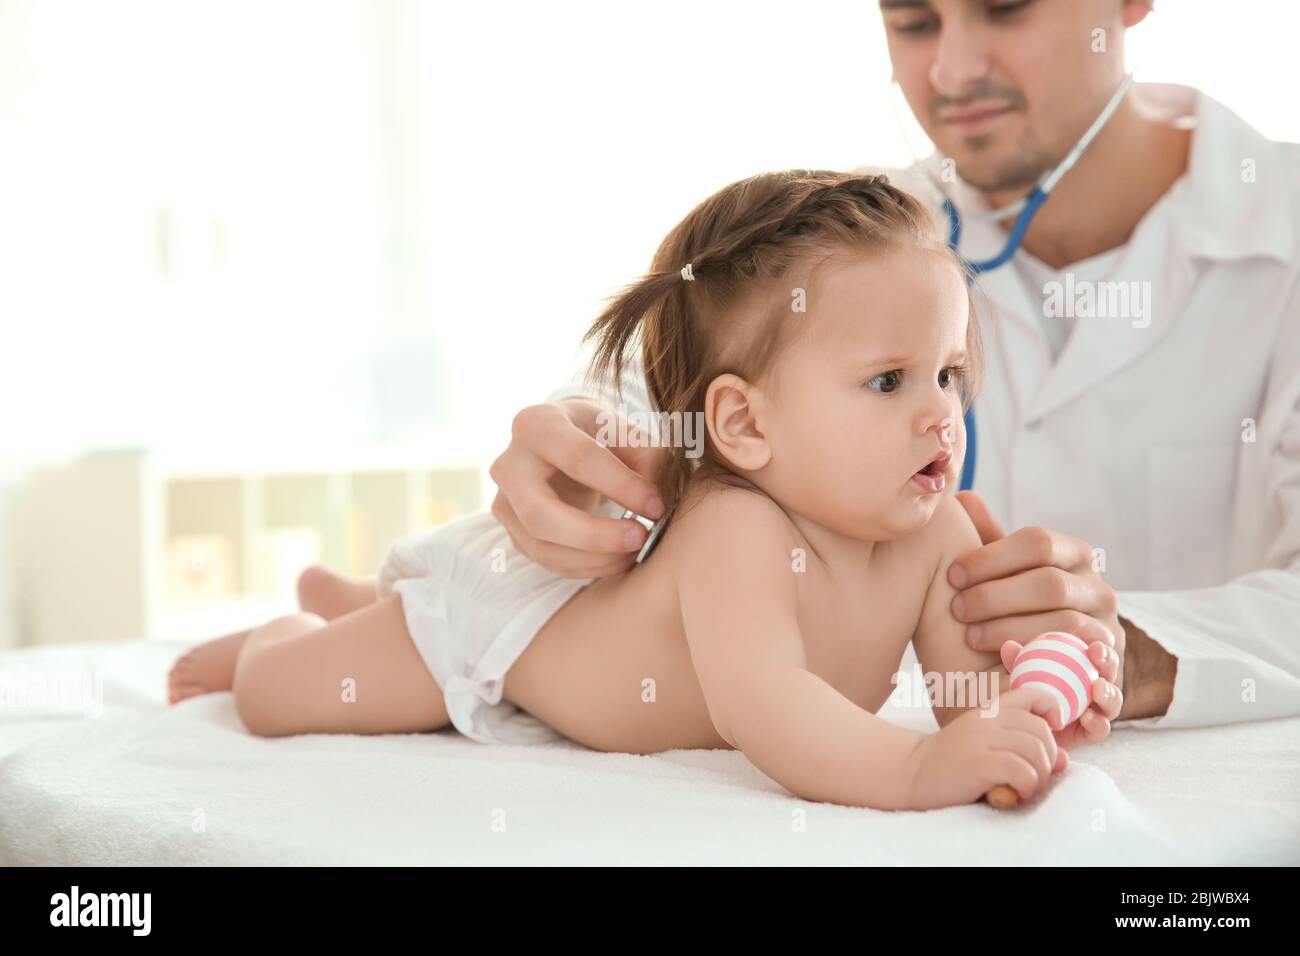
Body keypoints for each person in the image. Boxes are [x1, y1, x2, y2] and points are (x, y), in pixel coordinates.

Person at [168, 170, 1122, 810]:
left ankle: (350, 602)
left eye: (948, 373)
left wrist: (1037, 702)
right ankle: (281, 632)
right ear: (744, 423)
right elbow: (769, 705)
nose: (940, 415)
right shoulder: (740, 533)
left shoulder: (937, 529)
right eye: (889, 381)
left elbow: (968, 697)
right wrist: (915, 769)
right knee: (283, 694)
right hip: (502, 624)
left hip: (575, 642)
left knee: (365, 626)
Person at [489, 0, 1300, 728]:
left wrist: (1146, 649)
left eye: (1005, 9)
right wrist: (578, 446)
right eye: (912, 21)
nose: (951, 71)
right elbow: (661, 386)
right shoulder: (861, 239)